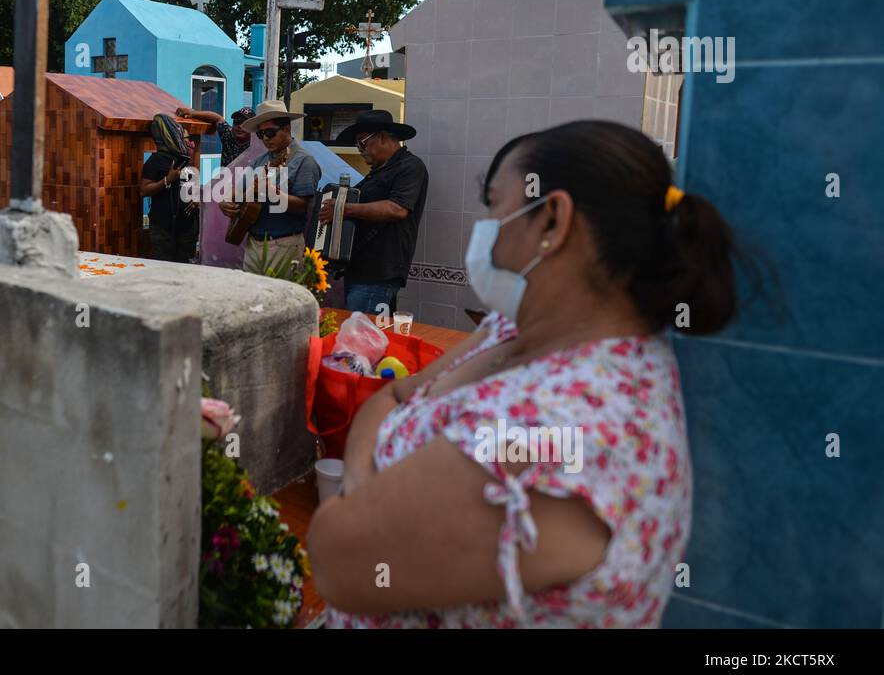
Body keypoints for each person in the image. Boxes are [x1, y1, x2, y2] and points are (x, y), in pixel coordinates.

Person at [307, 120, 745, 628]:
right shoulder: (515, 332)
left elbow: (339, 562)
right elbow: (388, 398)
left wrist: (360, 491)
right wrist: (373, 487)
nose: (485, 224)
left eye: (495, 204)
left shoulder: (563, 427)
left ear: (553, 220)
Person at [322, 109, 428, 315]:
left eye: (362, 142)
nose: (359, 149)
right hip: (360, 270)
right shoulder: (377, 172)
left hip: (379, 273)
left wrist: (343, 209)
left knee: (362, 338)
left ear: (383, 137)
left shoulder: (410, 167)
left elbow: (397, 209)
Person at [219, 99, 321, 273]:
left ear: (287, 129)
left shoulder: (304, 160)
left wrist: (271, 192)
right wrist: (225, 201)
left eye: (270, 133)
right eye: (261, 134)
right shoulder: (260, 160)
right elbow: (239, 190)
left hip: (284, 244)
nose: (265, 138)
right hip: (253, 242)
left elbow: (304, 206)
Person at [140, 119, 200, 263]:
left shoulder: (184, 160)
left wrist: (197, 199)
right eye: (185, 138)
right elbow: (144, 190)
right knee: (164, 268)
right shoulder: (155, 161)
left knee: (185, 268)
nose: (188, 142)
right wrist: (167, 179)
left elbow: (192, 186)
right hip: (163, 227)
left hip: (187, 227)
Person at [174, 104, 254, 167]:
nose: (239, 126)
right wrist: (192, 113)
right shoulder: (228, 135)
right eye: (236, 122)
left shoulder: (258, 144)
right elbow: (217, 118)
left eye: (244, 123)